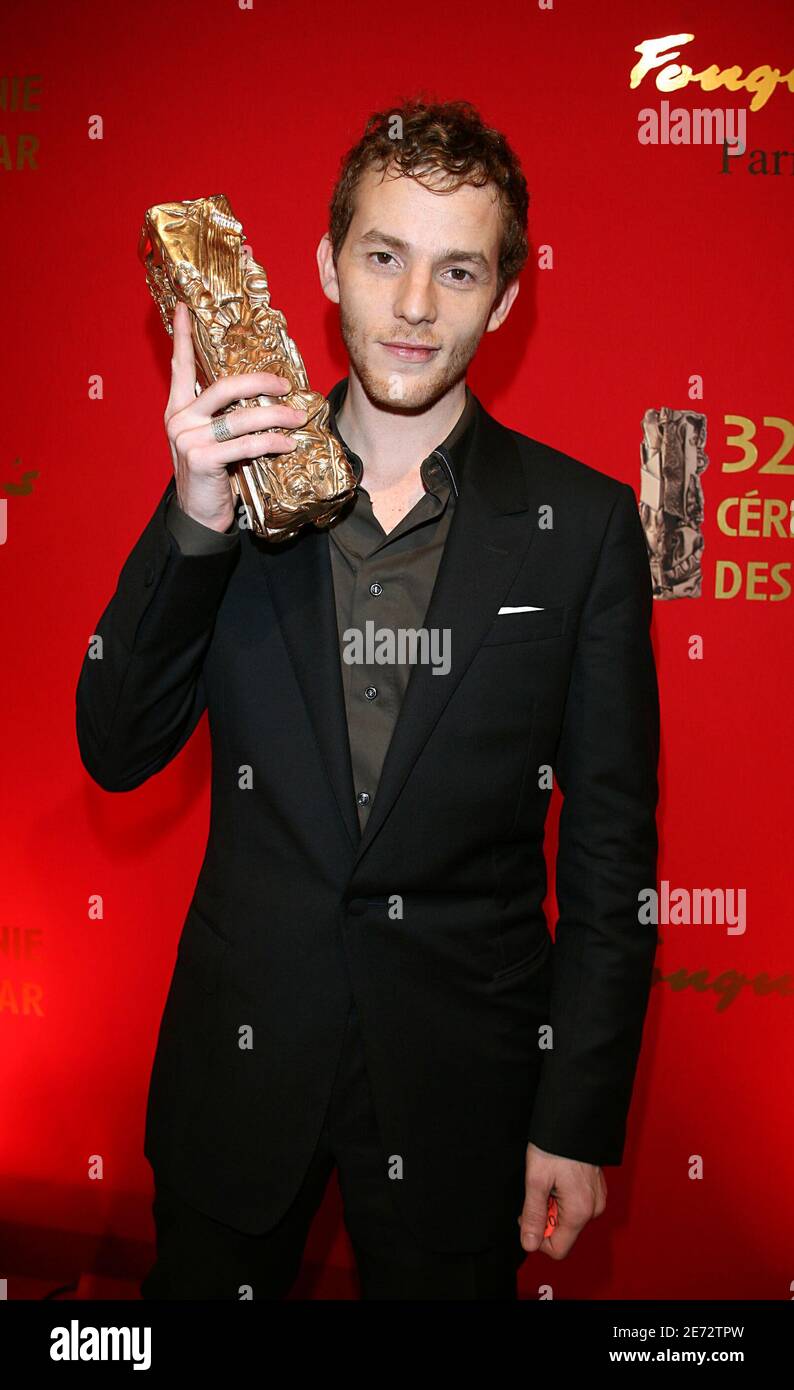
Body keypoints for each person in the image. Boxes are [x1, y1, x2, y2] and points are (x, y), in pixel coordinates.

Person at [75, 98, 660, 1300]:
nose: (411, 307)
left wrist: (577, 1114)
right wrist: (195, 505)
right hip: (239, 1079)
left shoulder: (583, 529)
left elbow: (610, 855)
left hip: (463, 1094)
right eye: (382, 256)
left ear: (504, 299)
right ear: (325, 267)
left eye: (457, 271)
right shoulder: (231, 485)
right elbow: (116, 745)